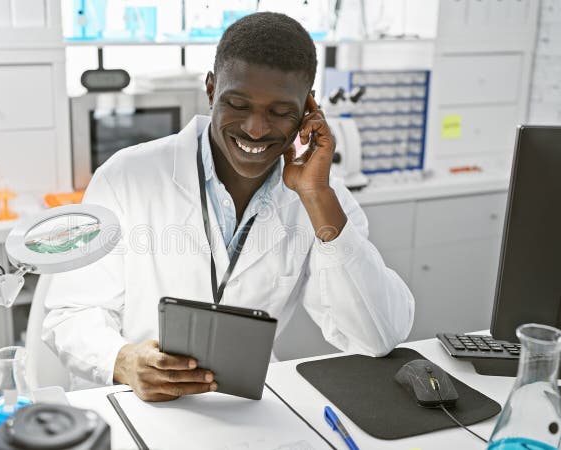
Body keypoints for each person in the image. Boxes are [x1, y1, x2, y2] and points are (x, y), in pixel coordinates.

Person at [43, 12, 414, 401]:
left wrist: (317, 197)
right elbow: (69, 314)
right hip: (135, 404)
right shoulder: (125, 176)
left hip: (245, 408)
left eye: (280, 111)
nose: (255, 128)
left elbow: (377, 335)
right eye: (237, 103)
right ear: (210, 88)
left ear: (307, 109)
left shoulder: (322, 199)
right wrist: (122, 361)